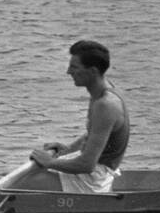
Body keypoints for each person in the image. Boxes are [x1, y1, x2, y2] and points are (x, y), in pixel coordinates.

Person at [22, 39, 129, 193]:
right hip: (92, 172)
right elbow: (95, 133)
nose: (68, 72)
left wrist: (50, 162)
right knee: (4, 177)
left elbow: (86, 165)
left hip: (92, 181)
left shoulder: (105, 105)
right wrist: (68, 149)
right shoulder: (101, 92)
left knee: (4, 183)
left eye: (74, 67)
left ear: (92, 71)